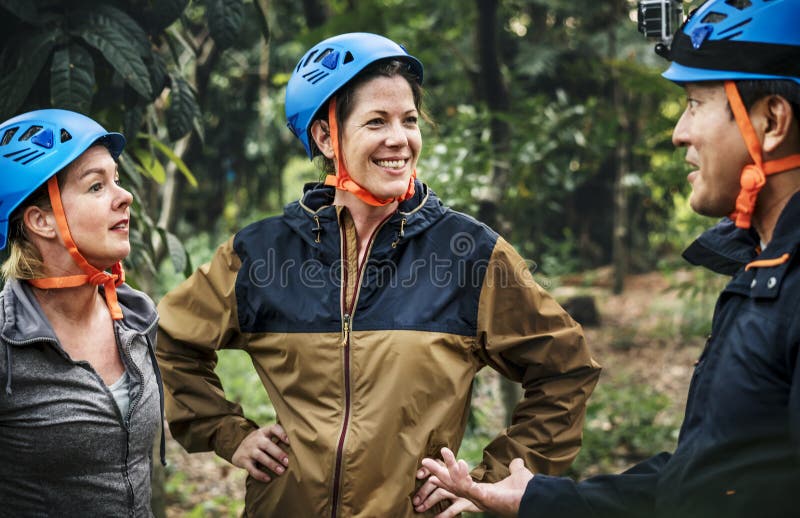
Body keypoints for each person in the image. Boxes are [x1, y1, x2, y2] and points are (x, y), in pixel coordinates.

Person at [155, 32, 600, 517]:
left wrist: (488, 482)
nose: (400, 139)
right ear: (326, 137)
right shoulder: (262, 253)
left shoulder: (469, 253)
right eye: (376, 121)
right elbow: (169, 340)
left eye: (409, 120)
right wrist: (227, 433)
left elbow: (565, 369)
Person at [421, 0, 800, 517]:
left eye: (695, 103)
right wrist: (539, 499)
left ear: (773, 121)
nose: (679, 132)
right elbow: (708, 477)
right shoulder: (765, 275)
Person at [0, 109, 165, 516]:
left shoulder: (136, 318)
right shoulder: (5, 343)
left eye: (117, 180)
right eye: (96, 186)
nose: (124, 197)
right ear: (41, 220)